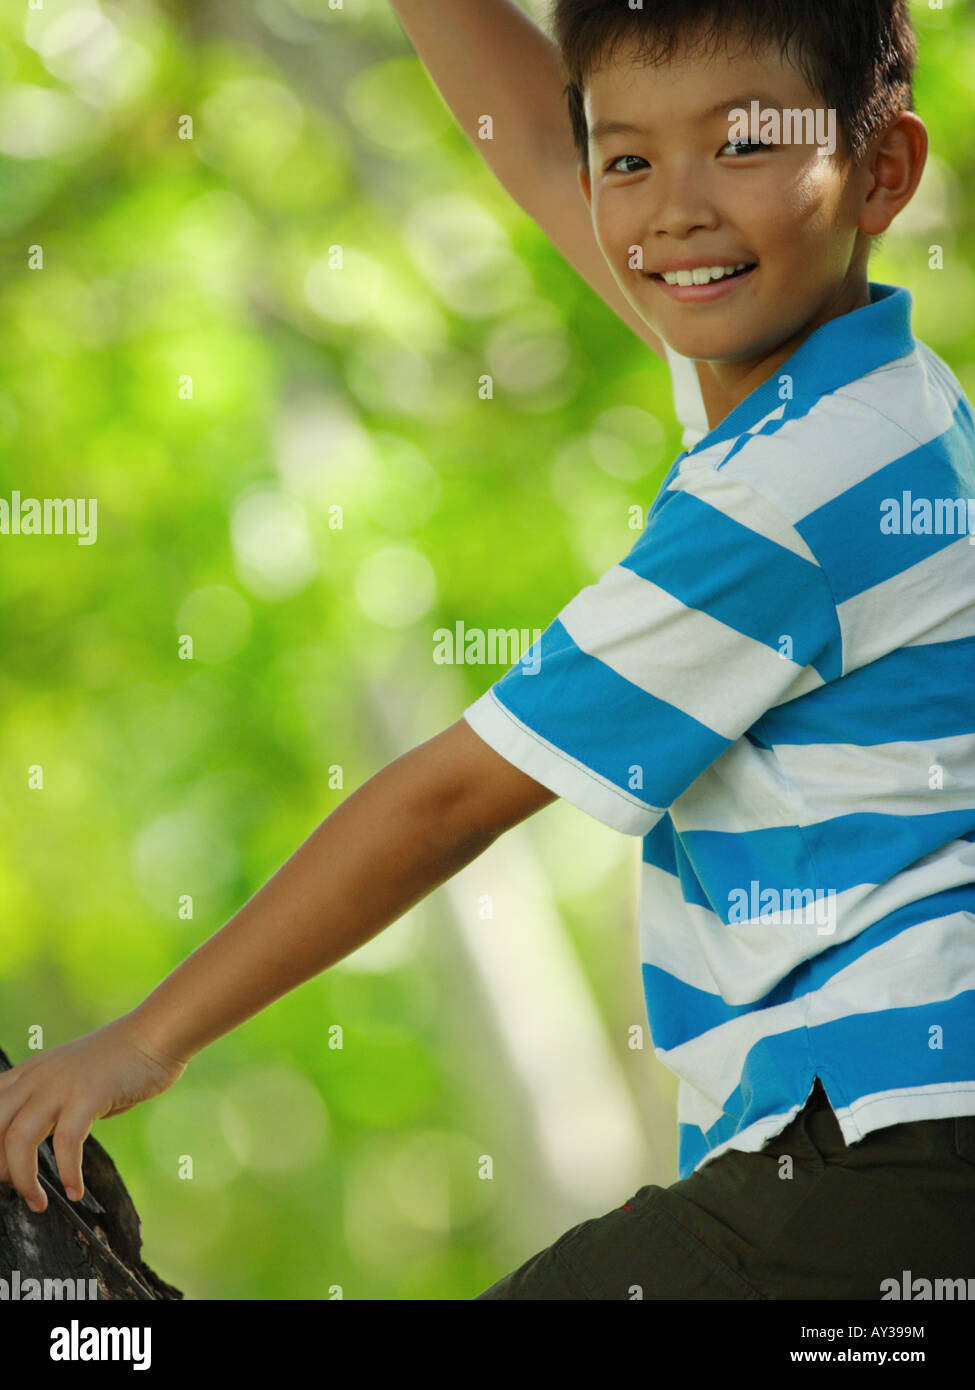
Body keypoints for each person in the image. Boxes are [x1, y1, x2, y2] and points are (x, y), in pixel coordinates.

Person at [2, 0, 975, 1301]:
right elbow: (529, 135)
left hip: (884, 1146)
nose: (672, 209)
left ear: (883, 174)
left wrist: (141, 1043)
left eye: (743, 145)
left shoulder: (791, 492)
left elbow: (454, 797)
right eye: (629, 160)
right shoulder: (858, 396)